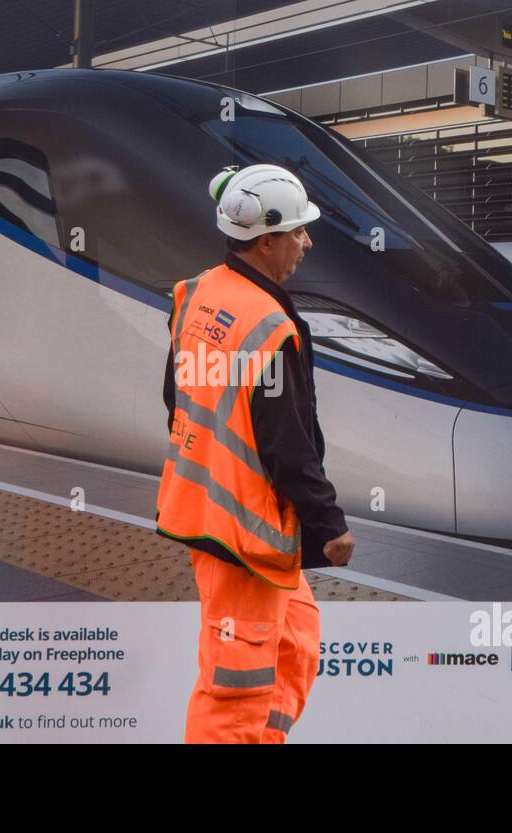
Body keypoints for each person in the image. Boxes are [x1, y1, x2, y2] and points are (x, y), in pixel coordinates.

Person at [156, 163, 355, 744]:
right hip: (241, 530)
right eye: (298, 232)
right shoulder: (268, 324)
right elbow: (286, 438)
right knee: (234, 688)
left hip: (225, 517)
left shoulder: (198, 295)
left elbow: (177, 398)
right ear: (265, 240)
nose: (306, 242)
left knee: (295, 644)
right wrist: (327, 522)